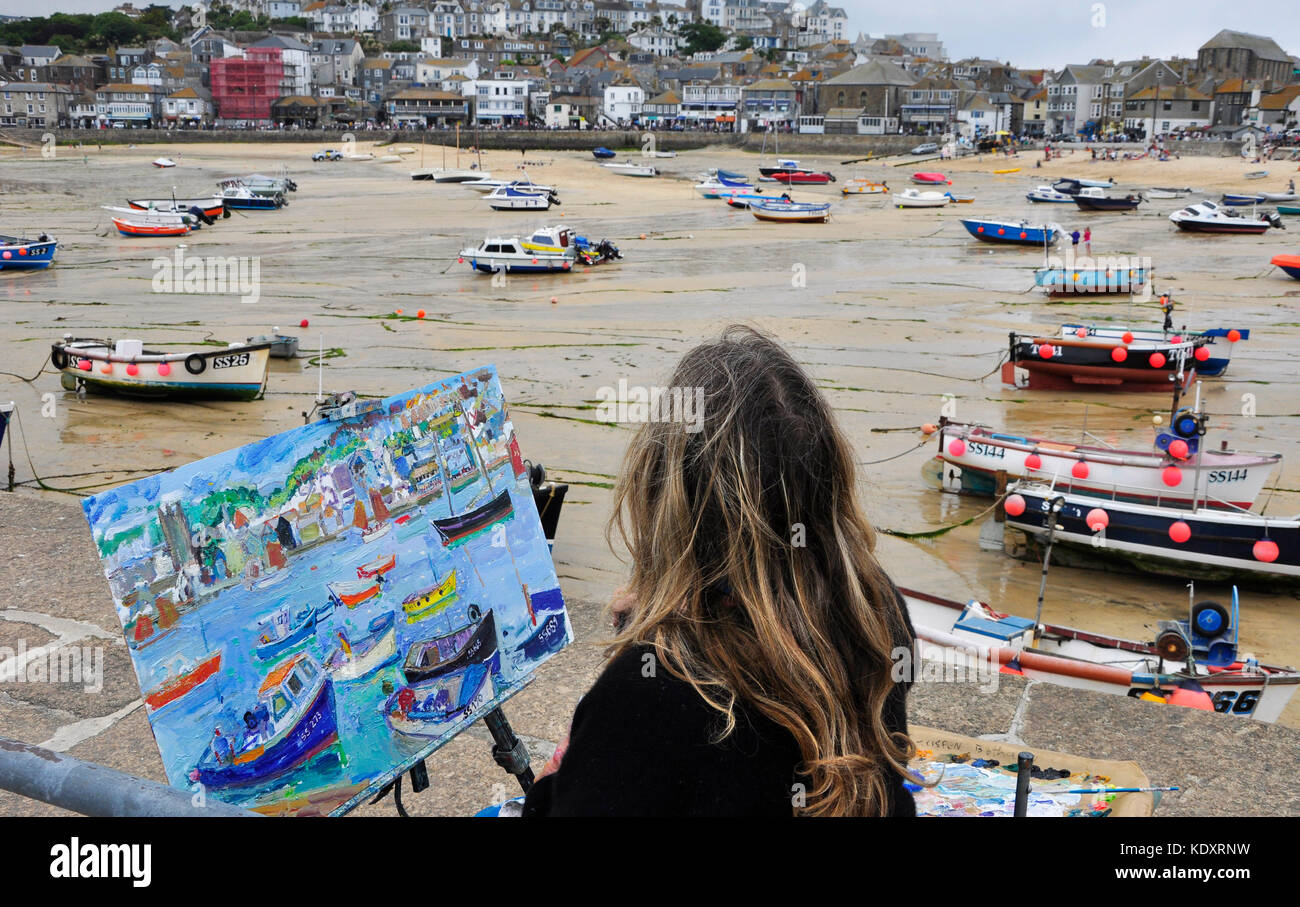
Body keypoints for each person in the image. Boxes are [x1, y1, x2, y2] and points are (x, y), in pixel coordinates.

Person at [522, 326, 917, 817]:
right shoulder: (876, 609)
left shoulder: (649, 693)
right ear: (829, 477)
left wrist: (551, 778)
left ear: (668, 494)